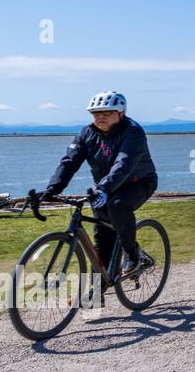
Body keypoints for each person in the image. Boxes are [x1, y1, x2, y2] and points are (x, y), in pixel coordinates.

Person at [40, 91, 158, 277]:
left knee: (118, 206)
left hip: (138, 183)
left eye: (107, 112)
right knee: (102, 240)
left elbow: (124, 164)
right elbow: (69, 162)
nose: (100, 117)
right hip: (105, 187)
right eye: (96, 113)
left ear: (121, 113)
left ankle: (132, 253)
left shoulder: (133, 132)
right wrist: (51, 189)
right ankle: (97, 292)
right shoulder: (86, 133)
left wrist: (103, 188)